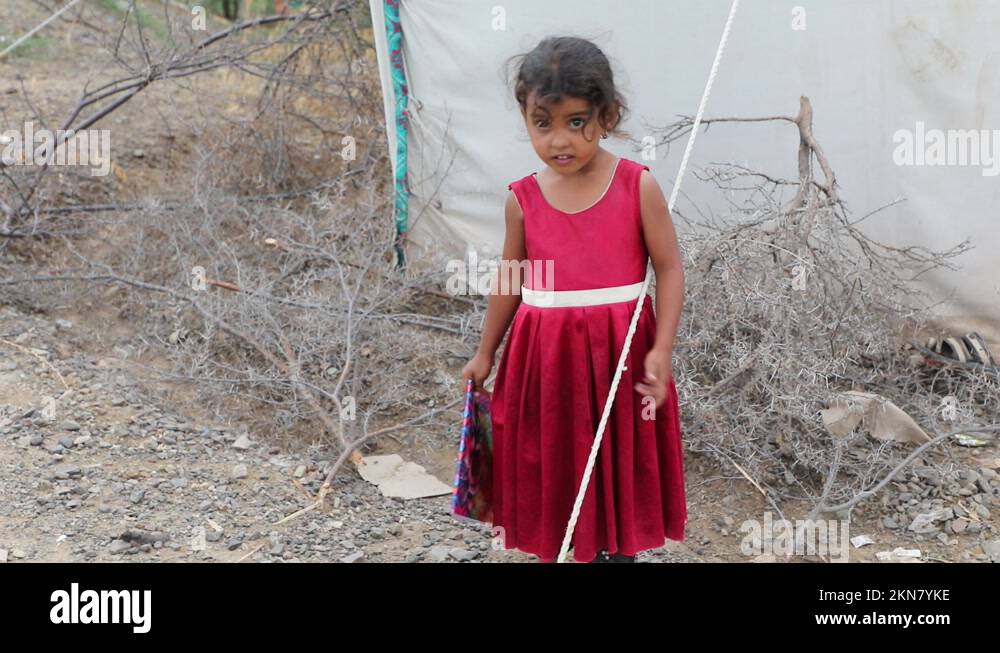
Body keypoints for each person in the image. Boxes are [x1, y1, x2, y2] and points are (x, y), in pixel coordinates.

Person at [461, 36, 687, 563]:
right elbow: (511, 279)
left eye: (577, 122)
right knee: (553, 461)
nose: (560, 140)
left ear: (608, 115)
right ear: (526, 119)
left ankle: (618, 551)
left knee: (619, 461)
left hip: (620, 354)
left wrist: (663, 349)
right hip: (546, 359)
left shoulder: (636, 186)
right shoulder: (523, 199)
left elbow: (670, 267)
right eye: (544, 124)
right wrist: (485, 351)